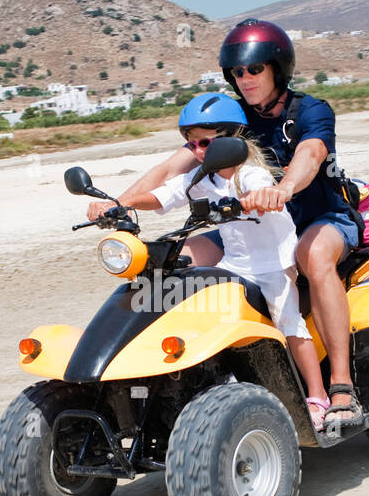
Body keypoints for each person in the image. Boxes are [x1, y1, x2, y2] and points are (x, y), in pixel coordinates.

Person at [88, 19, 364, 429]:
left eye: (255, 69)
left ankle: (339, 385)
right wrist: (119, 202)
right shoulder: (232, 120)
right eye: (238, 71)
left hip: (319, 218)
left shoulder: (308, 111)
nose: (246, 78)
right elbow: (172, 169)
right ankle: (182, 369)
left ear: (276, 67)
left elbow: (311, 153)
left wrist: (283, 188)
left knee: (314, 255)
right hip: (247, 224)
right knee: (171, 260)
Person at [113, 94, 335, 430]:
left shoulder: (250, 175)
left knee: (287, 320)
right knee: (198, 300)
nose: (199, 151)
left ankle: (318, 397)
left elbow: (261, 188)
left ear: (233, 141)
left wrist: (265, 196)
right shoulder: (201, 177)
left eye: (206, 143)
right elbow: (163, 195)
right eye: (193, 144)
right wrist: (121, 204)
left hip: (273, 263)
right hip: (236, 262)